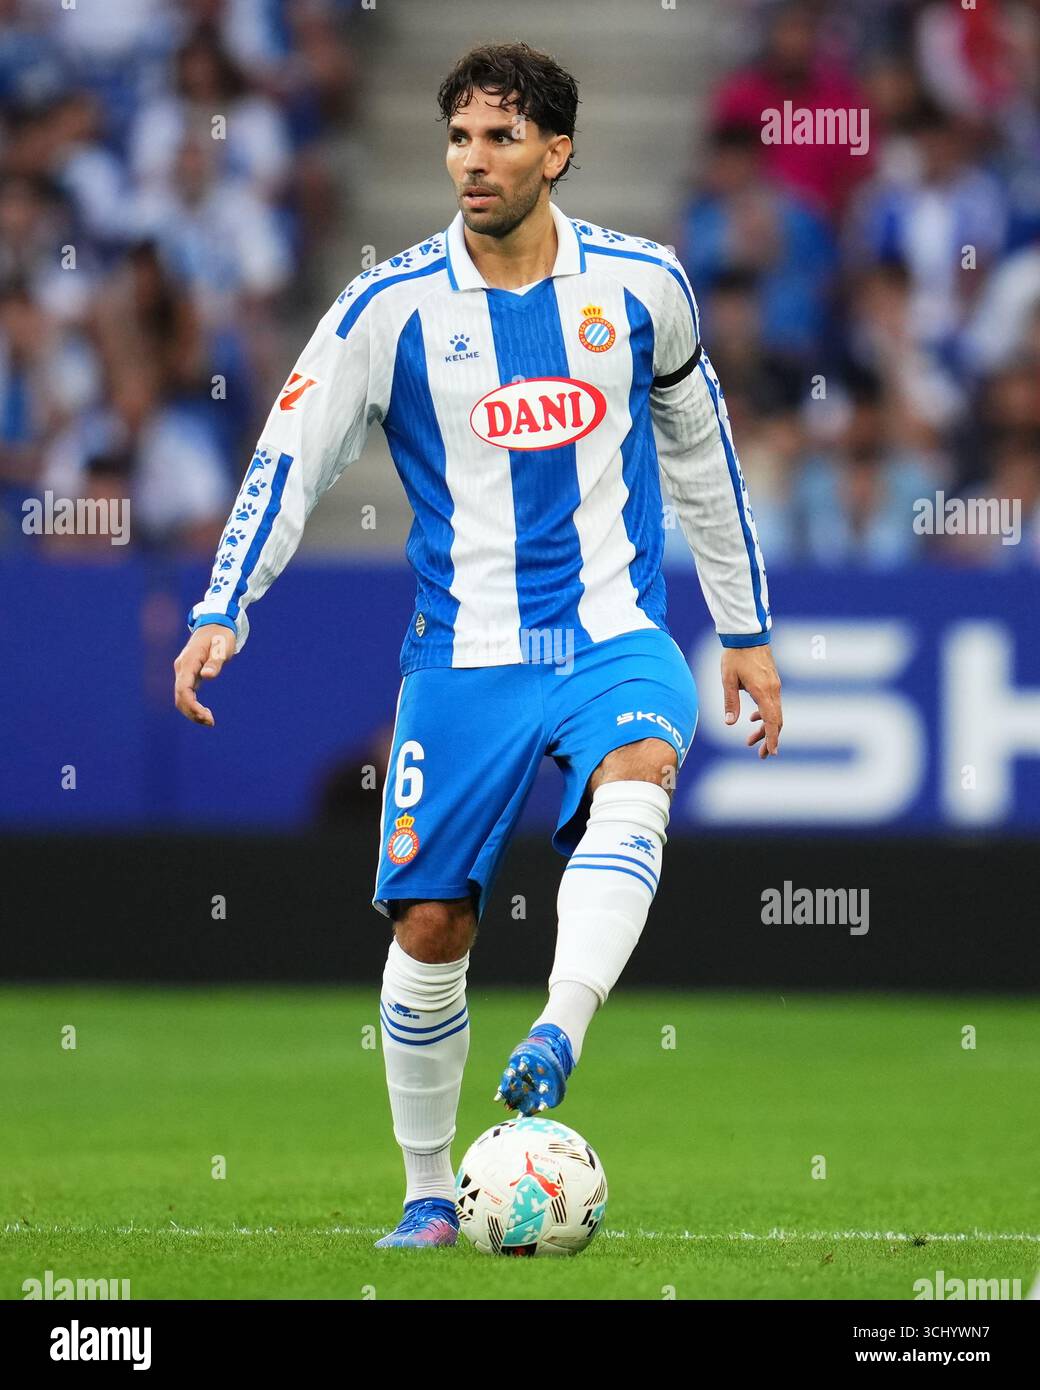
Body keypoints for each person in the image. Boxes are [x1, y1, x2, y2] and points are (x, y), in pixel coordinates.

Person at [172, 42, 783, 1250]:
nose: (470, 160)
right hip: (463, 656)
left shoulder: (641, 288)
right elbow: (290, 458)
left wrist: (747, 630)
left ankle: (558, 1022)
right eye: (457, 136)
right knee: (430, 926)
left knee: (640, 773)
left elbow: (704, 460)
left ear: (556, 152)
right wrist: (219, 606)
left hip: (614, 628)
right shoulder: (384, 305)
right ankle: (423, 1188)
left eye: (500, 138)